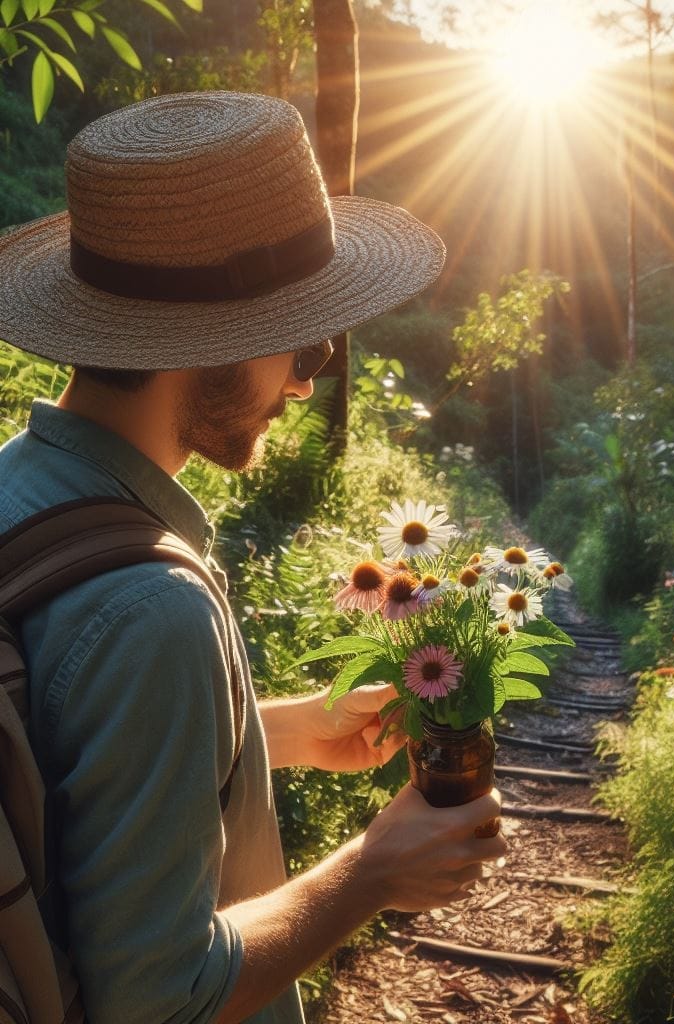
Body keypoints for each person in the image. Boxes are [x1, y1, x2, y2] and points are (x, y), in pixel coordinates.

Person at [0, 91, 506, 1023]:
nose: (310, 383)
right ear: (204, 345)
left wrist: (264, 732)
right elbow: (163, 1001)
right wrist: (371, 871)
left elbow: (55, 742)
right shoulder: (152, 608)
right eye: (305, 342)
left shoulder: (16, 491)